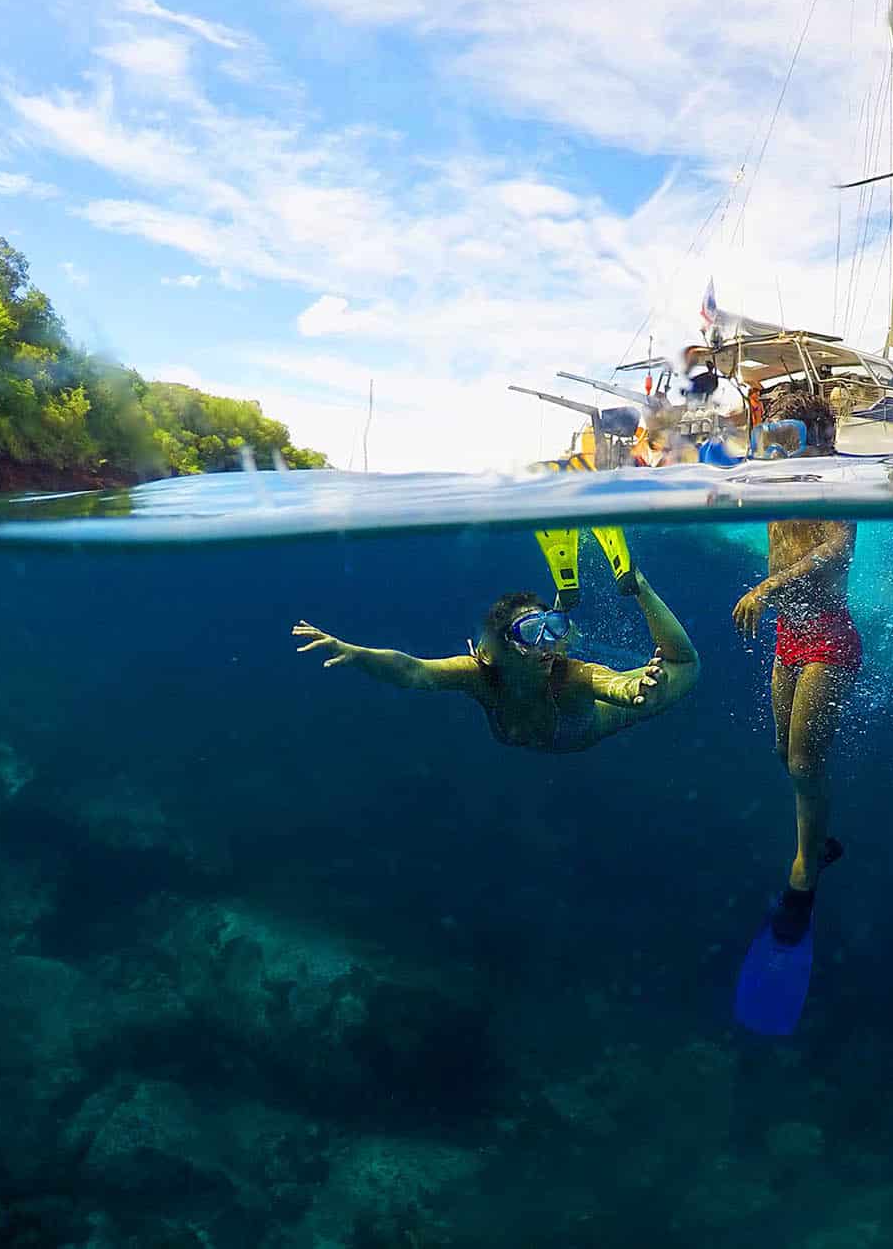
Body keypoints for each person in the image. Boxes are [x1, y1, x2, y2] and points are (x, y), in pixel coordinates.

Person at [292, 566, 699, 754]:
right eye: (531, 632)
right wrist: (355, 653)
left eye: (552, 629)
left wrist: (639, 688)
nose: (545, 645)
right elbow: (413, 670)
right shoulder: (480, 673)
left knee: (686, 666)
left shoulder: (572, 676)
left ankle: (640, 584)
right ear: (501, 647)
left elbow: (615, 686)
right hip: (534, 719)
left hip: (591, 725)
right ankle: (560, 606)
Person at [731, 388, 858, 946]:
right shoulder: (776, 487)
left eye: (792, 439)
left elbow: (837, 550)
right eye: (773, 440)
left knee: (805, 764)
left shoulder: (837, 491)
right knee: (784, 755)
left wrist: (768, 587)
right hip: (790, 637)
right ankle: (821, 842)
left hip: (830, 639)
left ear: (822, 441)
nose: (780, 452)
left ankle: (803, 879)